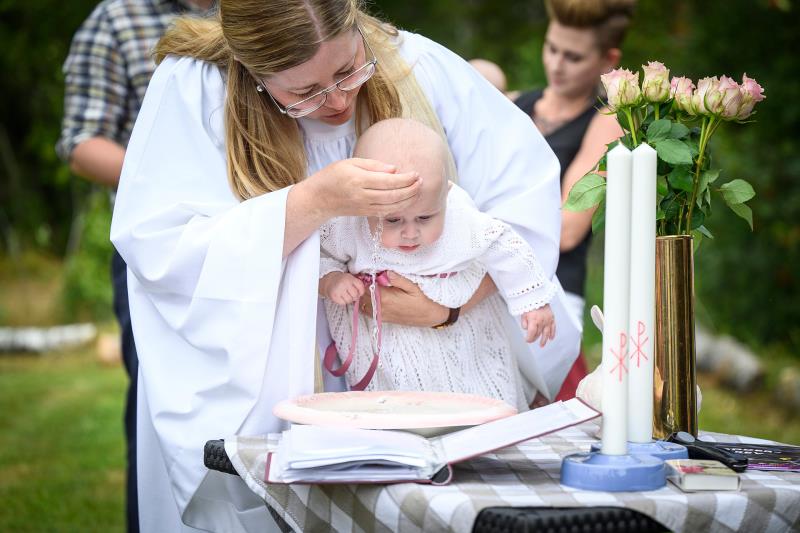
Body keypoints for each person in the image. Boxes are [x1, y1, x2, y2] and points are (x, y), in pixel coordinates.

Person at [109, 1, 581, 530]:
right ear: (252, 68)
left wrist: (445, 307)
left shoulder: (415, 66)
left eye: (347, 69)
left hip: (431, 385)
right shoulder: (194, 89)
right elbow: (160, 248)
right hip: (274, 390)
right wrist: (312, 202)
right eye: (303, 92)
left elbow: (521, 207)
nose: (337, 100)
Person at [56, 1, 214, 531]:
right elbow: (81, 142)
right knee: (158, 400)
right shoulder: (117, 18)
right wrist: (174, 175)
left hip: (259, 233)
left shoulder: (265, 10)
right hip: (157, 252)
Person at [320, 118, 556, 411]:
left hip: (463, 341)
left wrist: (532, 300)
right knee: (396, 411)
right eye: (393, 220)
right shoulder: (350, 225)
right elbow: (317, 256)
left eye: (424, 218)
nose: (410, 232)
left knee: (481, 397)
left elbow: (504, 244)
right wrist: (331, 280)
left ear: (445, 194)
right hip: (388, 351)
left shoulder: (459, 219)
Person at [514, 0, 632, 401]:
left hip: (555, 295)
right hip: (490, 285)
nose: (557, 64)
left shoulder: (609, 120)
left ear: (607, 60)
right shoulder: (513, 104)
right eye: (551, 48)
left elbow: (567, 229)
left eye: (574, 56)